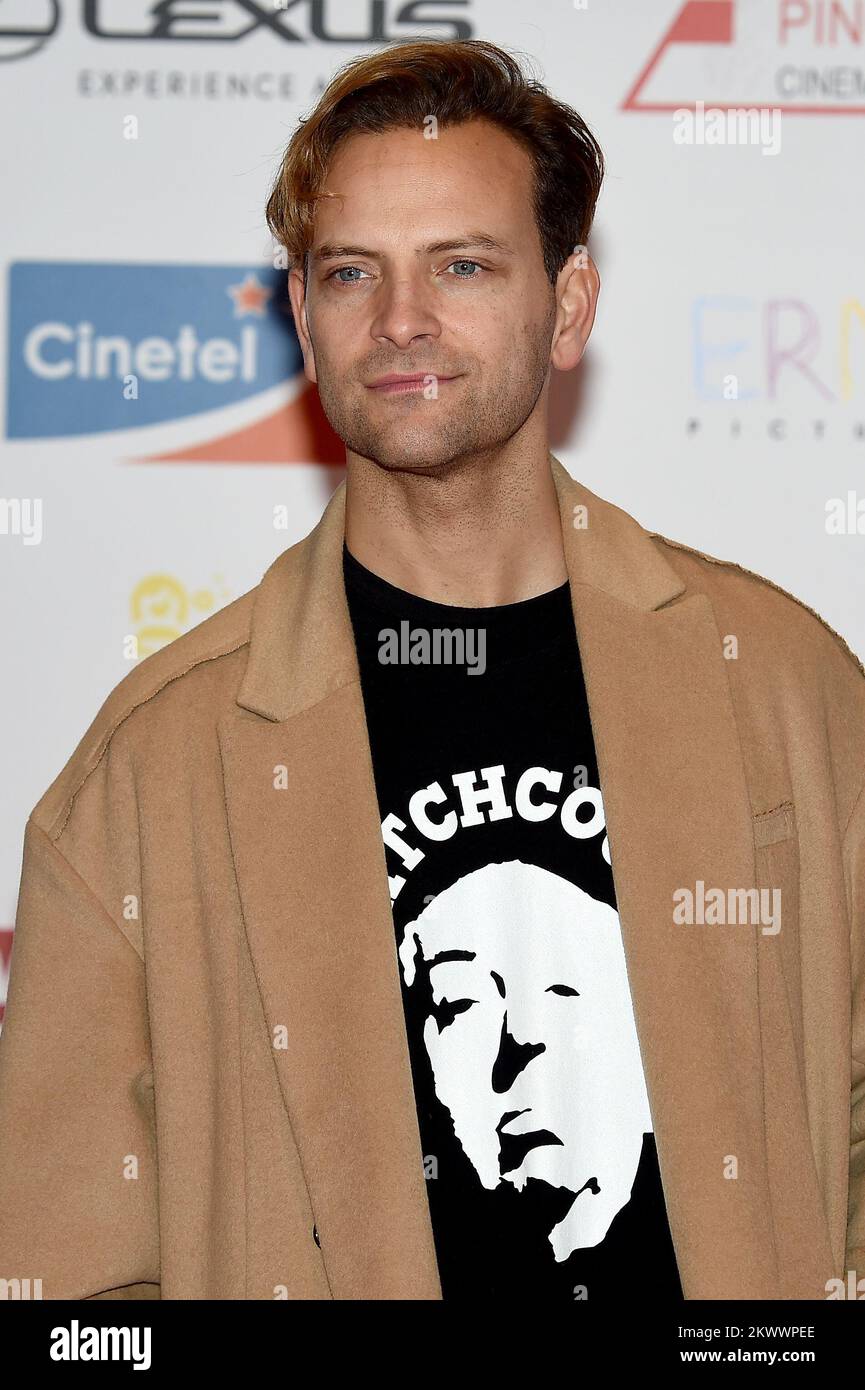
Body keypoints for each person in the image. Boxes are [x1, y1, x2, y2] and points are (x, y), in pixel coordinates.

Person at [0, 37, 862, 1303]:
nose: (402, 321)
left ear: (567, 306)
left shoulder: (783, 686)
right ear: (301, 315)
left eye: (461, 264)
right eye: (353, 272)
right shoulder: (155, 762)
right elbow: (62, 1289)